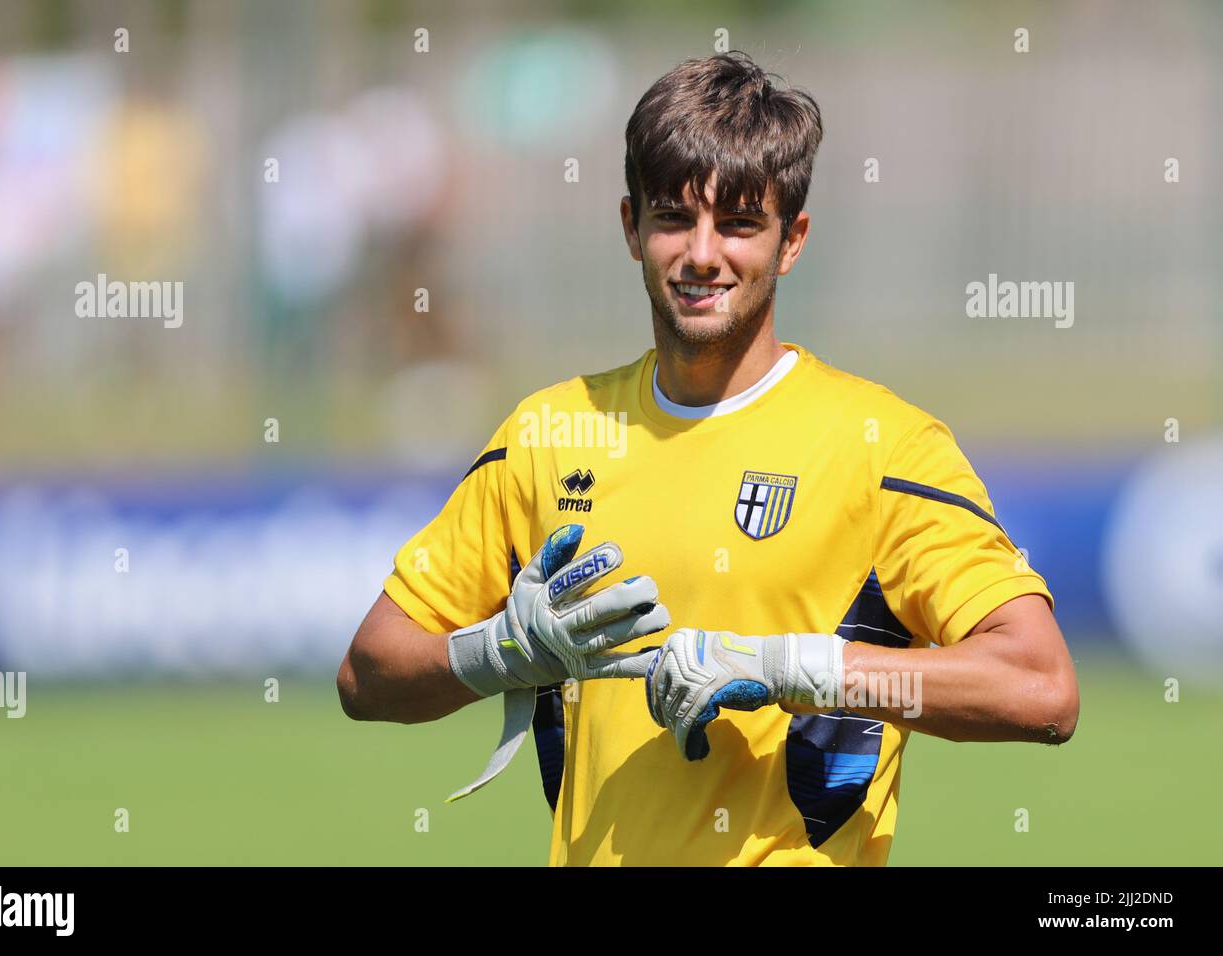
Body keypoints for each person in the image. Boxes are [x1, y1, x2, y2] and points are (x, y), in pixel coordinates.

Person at [337, 51, 1079, 866]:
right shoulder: (547, 435)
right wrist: (504, 652)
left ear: (791, 240)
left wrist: (789, 665)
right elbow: (368, 677)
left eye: (737, 223)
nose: (701, 254)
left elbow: (1041, 691)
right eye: (672, 218)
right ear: (631, 227)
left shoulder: (883, 447)